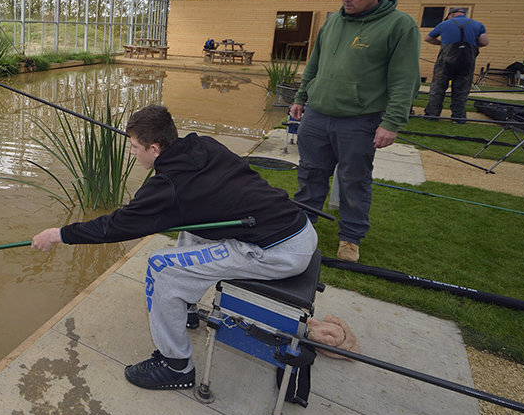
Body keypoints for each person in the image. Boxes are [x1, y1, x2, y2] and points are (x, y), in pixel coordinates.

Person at [31, 105, 317, 391]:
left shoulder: (167, 187)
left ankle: (176, 365)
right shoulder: (204, 145)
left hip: (279, 252)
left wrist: (58, 234)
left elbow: (114, 226)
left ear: (155, 149)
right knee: (191, 227)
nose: (131, 152)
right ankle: (185, 306)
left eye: (134, 146)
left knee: (161, 267)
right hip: (298, 227)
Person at [288, 0, 420, 264]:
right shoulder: (333, 22)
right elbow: (314, 64)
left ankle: (350, 237)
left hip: (359, 119)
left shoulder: (400, 26)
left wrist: (392, 122)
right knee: (310, 173)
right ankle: (301, 229)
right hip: (317, 114)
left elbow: (405, 79)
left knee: (353, 179)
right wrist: (301, 97)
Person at [423, 8, 488, 122]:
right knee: (461, 89)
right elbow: (484, 42)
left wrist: (442, 43)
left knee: (438, 87)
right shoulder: (478, 25)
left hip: (446, 60)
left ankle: (432, 115)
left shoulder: (444, 24)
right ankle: (458, 117)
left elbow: (428, 38)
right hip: (467, 61)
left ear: (451, 14)